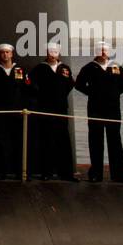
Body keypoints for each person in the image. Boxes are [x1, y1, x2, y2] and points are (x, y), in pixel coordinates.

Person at [73, 41, 123, 183]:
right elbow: (79, 85)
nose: (103, 52)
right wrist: (93, 94)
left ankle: (119, 174)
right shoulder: (89, 68)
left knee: (115, 141)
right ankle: (96, 174)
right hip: (95, 109)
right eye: (101, 50)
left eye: (106, 50)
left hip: (113, 109)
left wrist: (115, 93)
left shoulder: (116, 67)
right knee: (96, 141)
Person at [0, 43, 32, 180]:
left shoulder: (20, 70)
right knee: (0, 142)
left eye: (7, 52)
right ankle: (0, 171)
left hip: (18, 113)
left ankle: (19, 171)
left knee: (19, 142)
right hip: (0, 112)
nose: (5, 55)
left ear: (11, 54)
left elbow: (28, 90)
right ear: (0, 55)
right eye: (2, 52)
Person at [28, 43, 77, 181]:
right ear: (47, 53)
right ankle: (46, 172)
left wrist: (60, 96)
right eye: (50, 52)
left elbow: (70, 85)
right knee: (46, 140)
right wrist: (42, 97)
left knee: (63, 140)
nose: (52, 54)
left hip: (61, 109)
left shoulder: (65, 69)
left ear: (58, 53)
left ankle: (66, 173)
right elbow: (29, 84)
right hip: (45, 109)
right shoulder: (40, 68)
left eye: (55, 52)